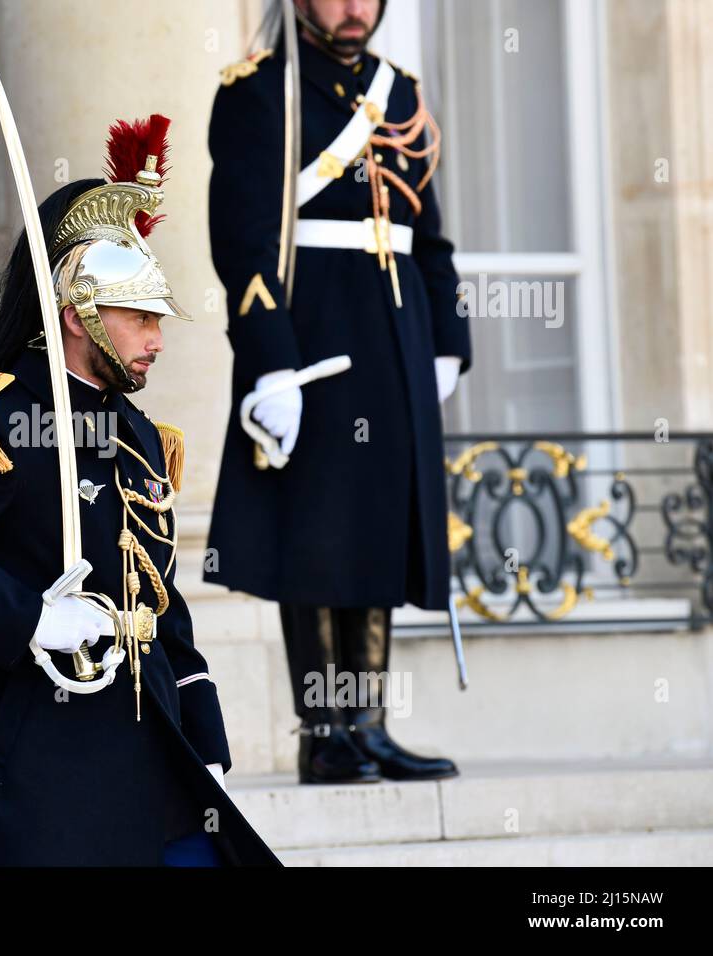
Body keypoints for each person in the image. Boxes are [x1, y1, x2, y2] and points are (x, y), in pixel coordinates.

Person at [0, 115, 280, 866]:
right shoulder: (1, 416)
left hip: (155, 744)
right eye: (140, 317)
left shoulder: (141, 433)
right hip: (42, 761)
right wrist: (30, 620)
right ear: (76, 314)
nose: (157, 337)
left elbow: (160, 599)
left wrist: (204, 730)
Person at [205, 0, 469, 784]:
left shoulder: (400, 92)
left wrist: (449, 340)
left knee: (381, 526)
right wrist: (270, 362)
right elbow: (243, 241)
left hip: (395, 329)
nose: (354, 8)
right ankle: (323, 732)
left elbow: (431, 233)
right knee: (316, 534)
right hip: (313, 328)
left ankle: (370, 722)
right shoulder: (259, 90)